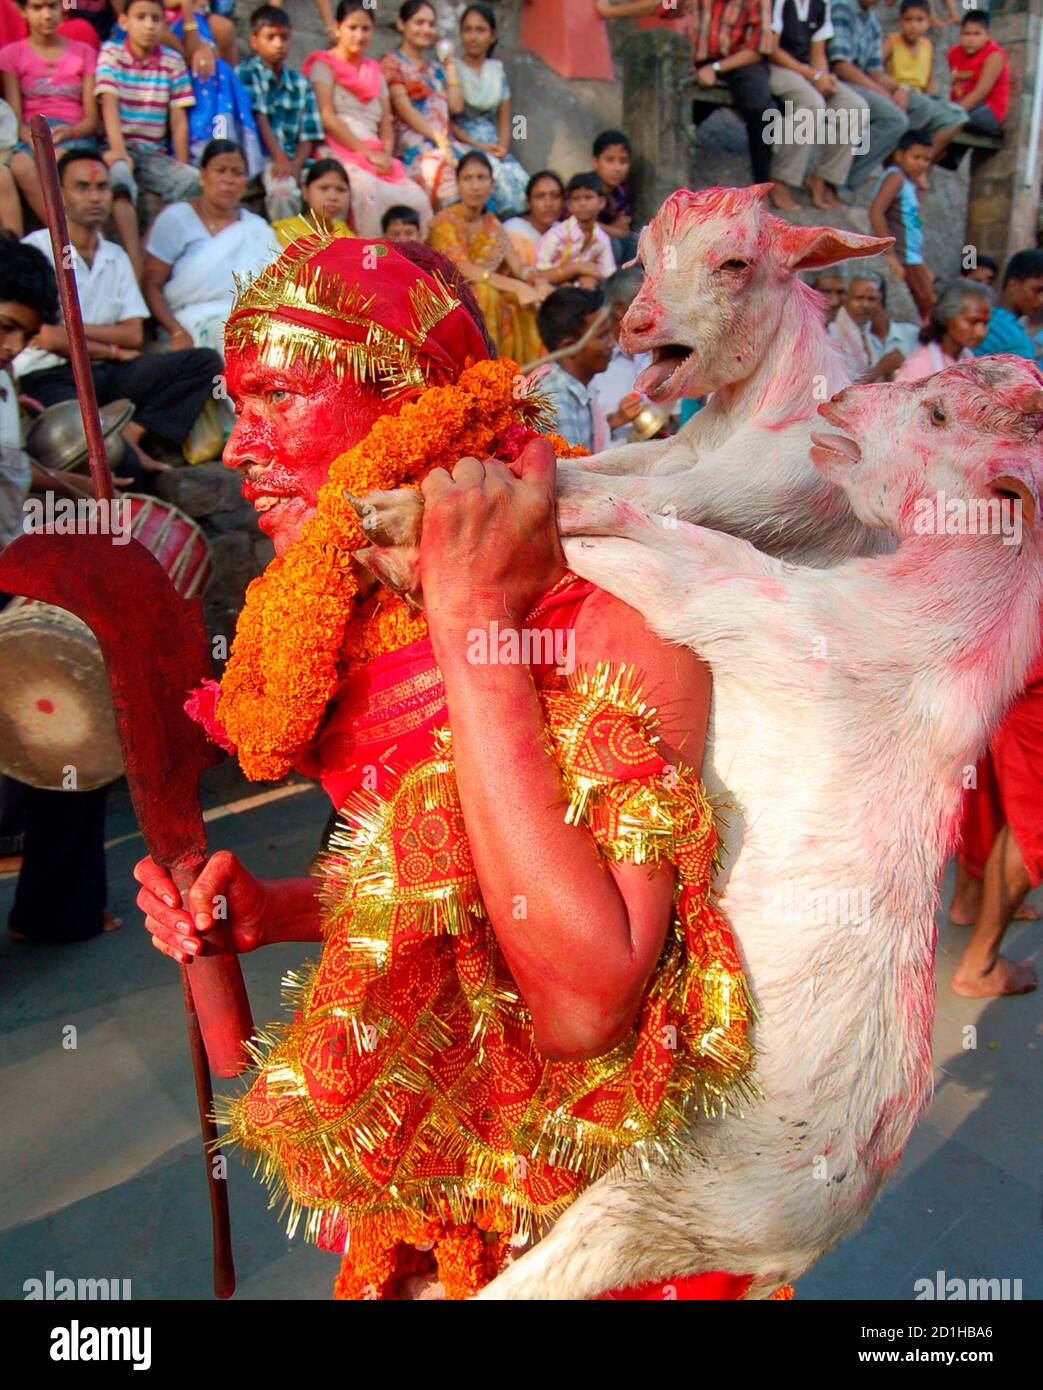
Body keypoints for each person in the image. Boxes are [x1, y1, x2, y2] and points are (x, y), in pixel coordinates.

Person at [134, 231, 754, 1300]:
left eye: (276, 395)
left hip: (597, 1208)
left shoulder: (609, 606)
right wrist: (275, 911)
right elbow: (459, 896)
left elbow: (587, 998)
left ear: (407, 398)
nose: (238, 448)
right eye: (238, 407)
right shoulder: (357, 628)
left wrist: (471, 613)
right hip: (432, 1186)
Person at [0, 235, 121, 944]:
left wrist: (75, 485)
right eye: (3, 326)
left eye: (19, 331)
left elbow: (13, 472)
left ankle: (57, 912)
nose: (12, 344)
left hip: (14, 578)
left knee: (69, 733)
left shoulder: (4, 385)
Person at [16, 151, 223, 477]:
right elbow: (46, 337)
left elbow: (133, 335)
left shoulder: (115, 256)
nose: (95, 196)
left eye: (101, 187)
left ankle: (132, 433)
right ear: (58, 194)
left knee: (204, 362)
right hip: (52, 376)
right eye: (82, 187)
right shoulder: (37, 249)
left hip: (107, 373)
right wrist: (110, 347)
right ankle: (127, 455)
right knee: (117, 463)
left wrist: (73, 331)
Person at [305, 0, 431, 238]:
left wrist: (385, 152)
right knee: (366, 192)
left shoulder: (375, 70)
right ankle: (370, 265)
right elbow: (328, 117)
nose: (359, 35)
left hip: (378, 155)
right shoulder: (324, 65)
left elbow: (386, 122)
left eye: (365, 29)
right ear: (338, 27)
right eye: (352, 28)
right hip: (339, 150)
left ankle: (417, 268)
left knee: (419, 200)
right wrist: (367, 153)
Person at [142, 139, 279, 355]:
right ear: (203, 175)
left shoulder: (257, 229)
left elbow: (276, 292)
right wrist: (176, 332)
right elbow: (151, 285)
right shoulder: (176, 219)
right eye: (220, 170)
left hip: (251, 321)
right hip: (190, 320)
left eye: (237, 173)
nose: (229, 180)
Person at [95, 0, 198, 277]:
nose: (150, 25)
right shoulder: (112, 53)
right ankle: (133, 261)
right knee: (119, 177)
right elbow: (109, 103)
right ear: (124, 21)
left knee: (190, 180)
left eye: (156, 18)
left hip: (153, 152)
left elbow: (178, 119)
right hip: (118, 146)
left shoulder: (172, 61)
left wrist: (180, 161)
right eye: (141, 17)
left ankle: (154, 256)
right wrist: (119, 150)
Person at [827, 0, 966, 190]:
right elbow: (841, 66)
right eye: (909, 20)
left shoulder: (873, 21)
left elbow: (875, 71)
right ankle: (846, 180)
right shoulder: (843, 9)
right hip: (842, 81)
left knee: (922, 107)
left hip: (867, 84)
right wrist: (883, 93)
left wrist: (900, 88)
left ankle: (900, 163)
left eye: (920, 20)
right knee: (895, 119)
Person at [428, 150, 546, 363]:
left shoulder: (492, 224)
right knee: (484, 293)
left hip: (490, 296)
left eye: (481, 178)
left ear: (491, 184)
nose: (475, 186)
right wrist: (517, 286)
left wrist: (537, 282)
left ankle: (522, 379)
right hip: (449, 298)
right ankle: (483, 369)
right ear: (458, 184)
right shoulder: (443, 221)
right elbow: (460, 268)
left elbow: (518, 266)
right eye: (468, 178)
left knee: (533, 304)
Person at [0, 0, 98, 223]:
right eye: (37, 8)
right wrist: (33, 138)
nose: (46, 15)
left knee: (61, 160)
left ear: (61, 8)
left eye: (52, 6)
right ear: (23, 11)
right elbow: (15, 115)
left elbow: (92, 119)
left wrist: (71, 132)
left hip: (73, 134)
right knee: (19, 164)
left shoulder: (84, 52)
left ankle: (71, 235)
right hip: (32, 134)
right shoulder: (11, 54)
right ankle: (62, 232)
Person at [767, 0, 870, 211]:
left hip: (806, 71)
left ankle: (822, 178)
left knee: (854, 106)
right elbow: (772, 49)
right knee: (811, 103)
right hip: (776, 67)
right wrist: (811, 75)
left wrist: (821, 76)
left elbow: (818, 51)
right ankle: (781, 180)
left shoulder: (821, 4)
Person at [236, 4, 323, 224]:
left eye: (283, 38)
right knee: (283, 193)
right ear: (254, 41)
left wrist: (295, 164)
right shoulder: (246, 72)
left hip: (295, 158)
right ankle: (288, 254)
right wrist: (280, 158)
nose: (278, 44)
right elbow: (259, 117)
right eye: (270, 37)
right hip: (262, 156)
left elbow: (309, 133)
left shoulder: (300, 83)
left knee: (332, 187)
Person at [380, 0, 463, 213]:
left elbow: (456, 107)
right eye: (419, 23)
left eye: (431, 24)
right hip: (413, 142)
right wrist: (439, 139)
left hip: (445, 143)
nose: (426, 29)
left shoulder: (436, 69)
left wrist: (450, 65)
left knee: (478, 169)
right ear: (401, 24)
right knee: (441, 170)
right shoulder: (391, 63)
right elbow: (404, 109)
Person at [448, 3, 528, 218]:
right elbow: (446, 119)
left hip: (492, 143)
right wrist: (477, 145)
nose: (473, 36)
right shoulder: (450, 68)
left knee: (519, 178)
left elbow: (505, 115)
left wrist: (502, 146)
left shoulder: (497, 70)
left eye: (480, 30)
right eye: (467, 29)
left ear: (492, 36)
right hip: (462, 141)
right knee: (492, 177)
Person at [689, 0, 778, 188]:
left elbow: (757, 50)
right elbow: (667, 9)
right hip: (698, 58)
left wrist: (715, 68)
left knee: (761, 109)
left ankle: (761, 185)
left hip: (740, 61)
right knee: (679, 108)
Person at [533, 286, 614, 451]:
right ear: (570, 346)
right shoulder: (555, 401)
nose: (612, 343)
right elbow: (575, 473)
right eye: (602, 336)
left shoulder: (576, 386)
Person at [868, 129, 935, 320]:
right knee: (925, 302)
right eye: (916, 157)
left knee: (927, 301)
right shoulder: (895, 177)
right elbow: (876, 212)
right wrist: (889, 254)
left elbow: (914, 222)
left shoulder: (909, 183)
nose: (922, 164)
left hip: (913, 255)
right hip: (902, 254)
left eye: (926, 159)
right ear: (899, 155)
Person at [591, 266, 654, 442]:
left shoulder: (662, 351)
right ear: (620, 308)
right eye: (648, 304)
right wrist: (614, 421)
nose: (658, 312)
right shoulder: (593, 361)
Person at [892, 277, 990, 381]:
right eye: (972, 322)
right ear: (947, 317)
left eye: (985, 323)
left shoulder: (969, 359)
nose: (981, 332)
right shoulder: (919, 365)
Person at [535, 173, 616, 287]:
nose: (582, 204)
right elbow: (540, 275)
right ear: (569, 205)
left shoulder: (601, 239)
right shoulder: (556, 236)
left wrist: (589, 277)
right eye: (576, 199)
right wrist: (577, 268)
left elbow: (608, 274)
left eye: (588, 197)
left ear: (601, 202)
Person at [829, 272, 904, 379]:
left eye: (871, 299)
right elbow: (841, 389)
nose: (865, 305)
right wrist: (881, 369)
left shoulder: (865, 331)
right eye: (859, 298)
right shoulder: (832, 334)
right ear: (846, 299)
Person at [947, 8, 1009, 138]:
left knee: (949, 120)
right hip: (962, 104)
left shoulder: (994, 54)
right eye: (966, 34)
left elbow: (981, 91)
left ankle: (931, 154)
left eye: (977, 34)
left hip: (988, 109)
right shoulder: (954, 54)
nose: (971, 39)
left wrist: (954, 112)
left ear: (988, 35)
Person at [973, 249, 1043, 360]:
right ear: (1014, 284)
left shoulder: (972, 320)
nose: (1041, 299)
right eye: (1037, 290)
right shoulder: (1018, 342)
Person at [272, 156, 353, 246]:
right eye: (324, 188)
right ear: (305, 192)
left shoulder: (344, 232)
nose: (333, 197)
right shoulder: (287, 232)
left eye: (341, 189)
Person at [592, 129, 638, 266]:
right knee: (612, 244)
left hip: (617, 245)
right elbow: (577, 225)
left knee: (636, 242)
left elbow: (624, 229)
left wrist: (603, 227)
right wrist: (612, 229)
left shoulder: (622, 190)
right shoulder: (586, 189)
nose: (617, 168)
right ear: (595, 162)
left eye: (623, 161)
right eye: (610, 160)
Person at [502, 168, 563, 268]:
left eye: (555, 196)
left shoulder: (564, 232)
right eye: (540, 196)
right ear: (528, 202)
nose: (548, 203)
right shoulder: (513, 230)